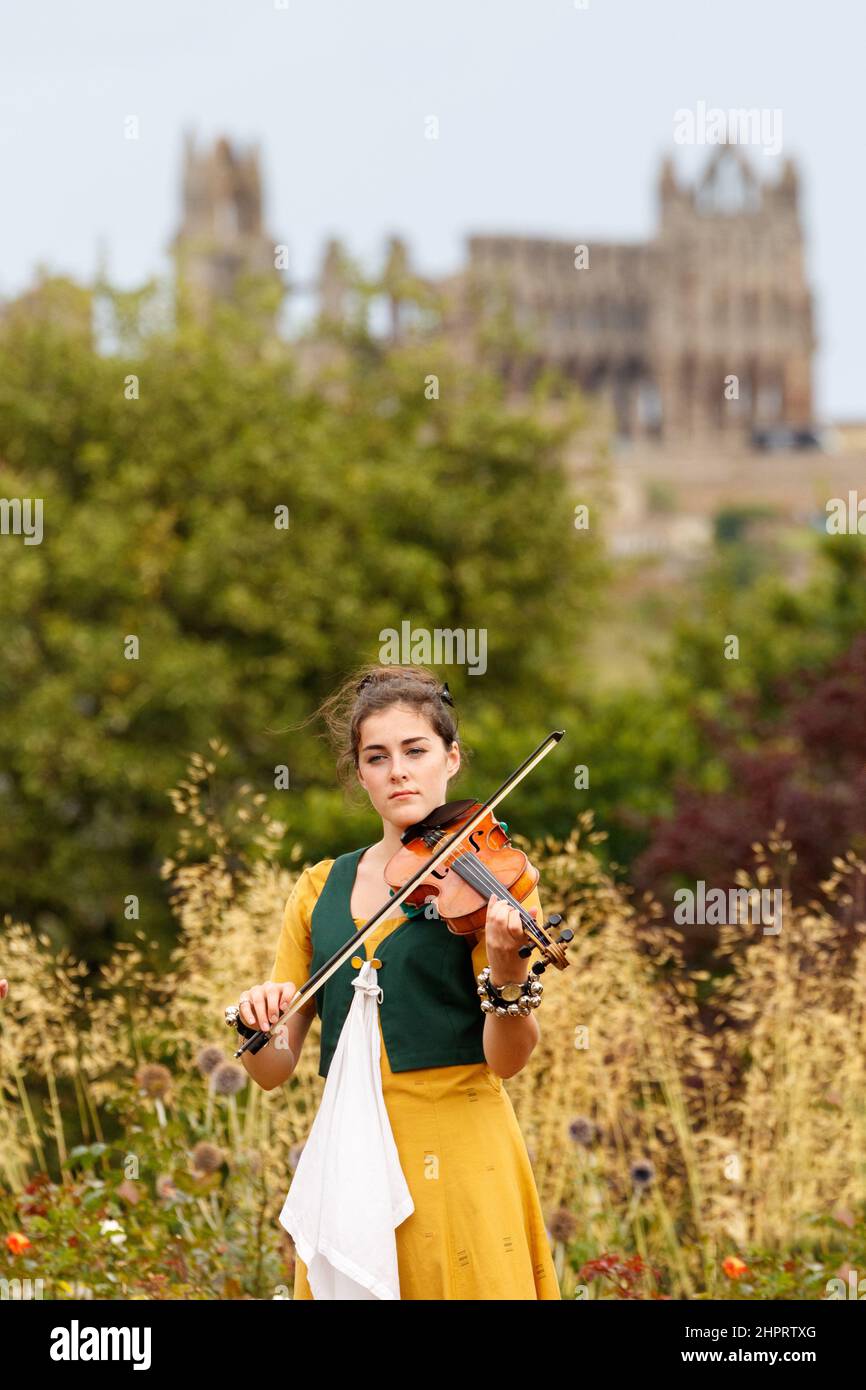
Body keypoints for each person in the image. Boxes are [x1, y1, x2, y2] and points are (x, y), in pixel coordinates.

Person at [237, 665, 561, 1300]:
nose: (398, 771)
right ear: (361, 774)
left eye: (416, 751)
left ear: (451, 757)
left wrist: (507, 968)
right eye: (377, 757)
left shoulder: (486, 884)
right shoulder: (316, 890)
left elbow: (509, 1058)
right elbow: (275, 1068)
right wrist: (256, 1023)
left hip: (462, 1143)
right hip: (351, 1155)